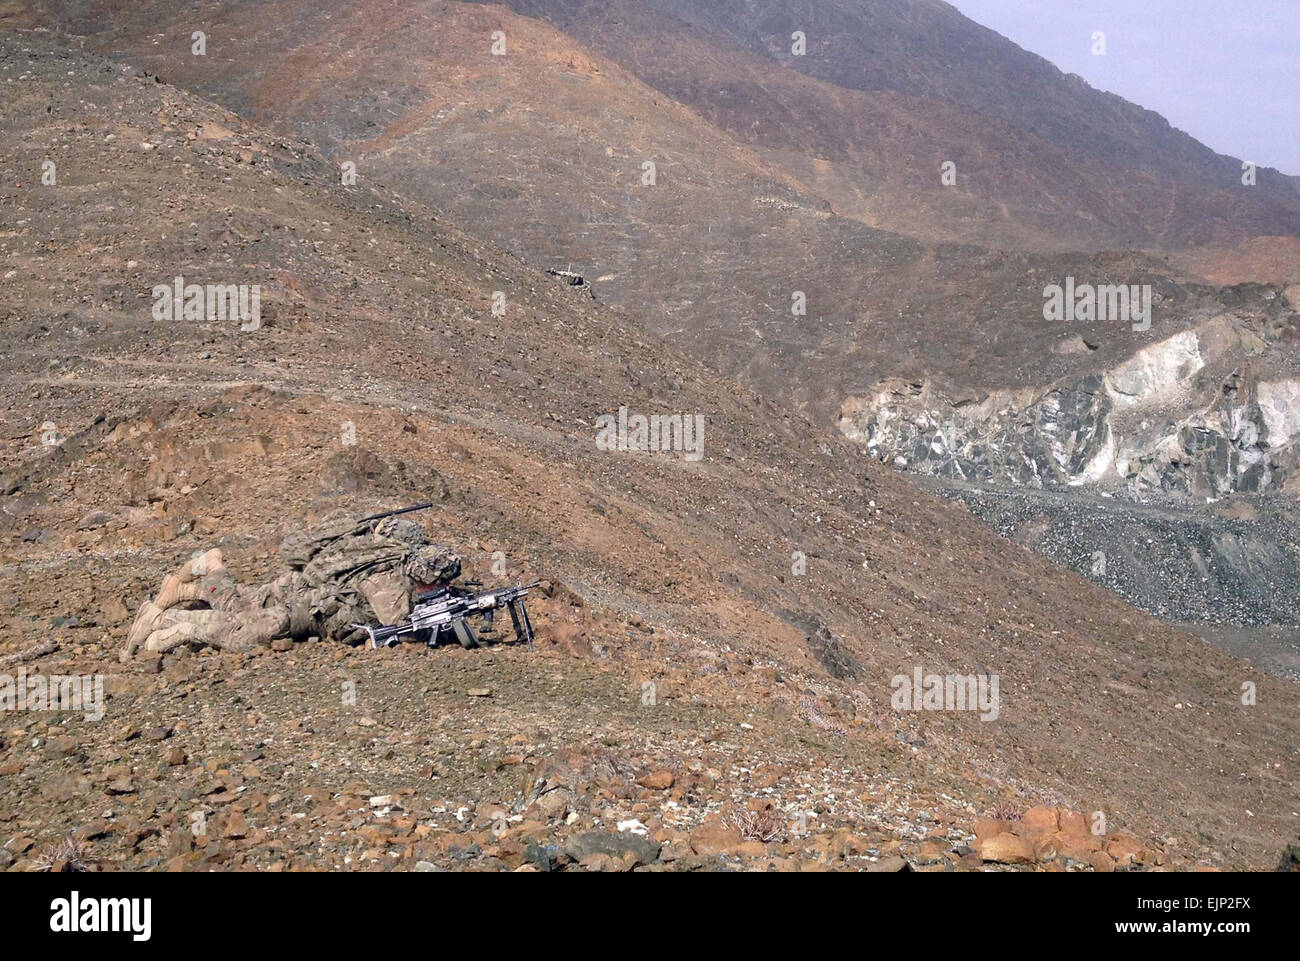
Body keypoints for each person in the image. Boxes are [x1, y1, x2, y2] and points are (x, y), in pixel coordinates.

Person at [121, 509, 462, 661]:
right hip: (307, 602)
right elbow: (396, 622)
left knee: (244, 603)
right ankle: (181, 611)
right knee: (242, 624)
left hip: (302, 588)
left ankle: (184, 596)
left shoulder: (368, 552)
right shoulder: (387, 574)